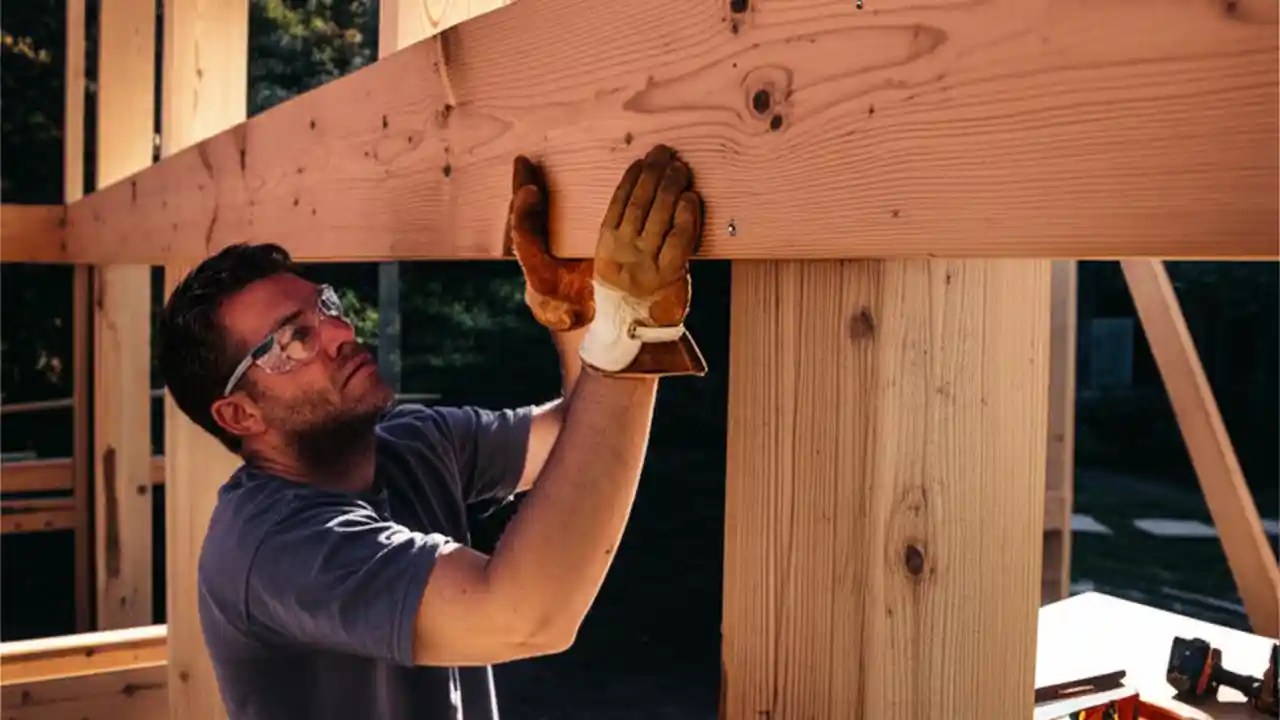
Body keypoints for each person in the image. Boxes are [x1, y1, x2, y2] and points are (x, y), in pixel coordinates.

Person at [156, 144, 706, 720]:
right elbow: (523, 619)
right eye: (294, 339)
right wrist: (630, 330)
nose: (341, 332)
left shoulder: (410, 444)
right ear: (240, 415)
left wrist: (582, 319)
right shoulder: (270, 548)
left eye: (326, 307)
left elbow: (581, 443)